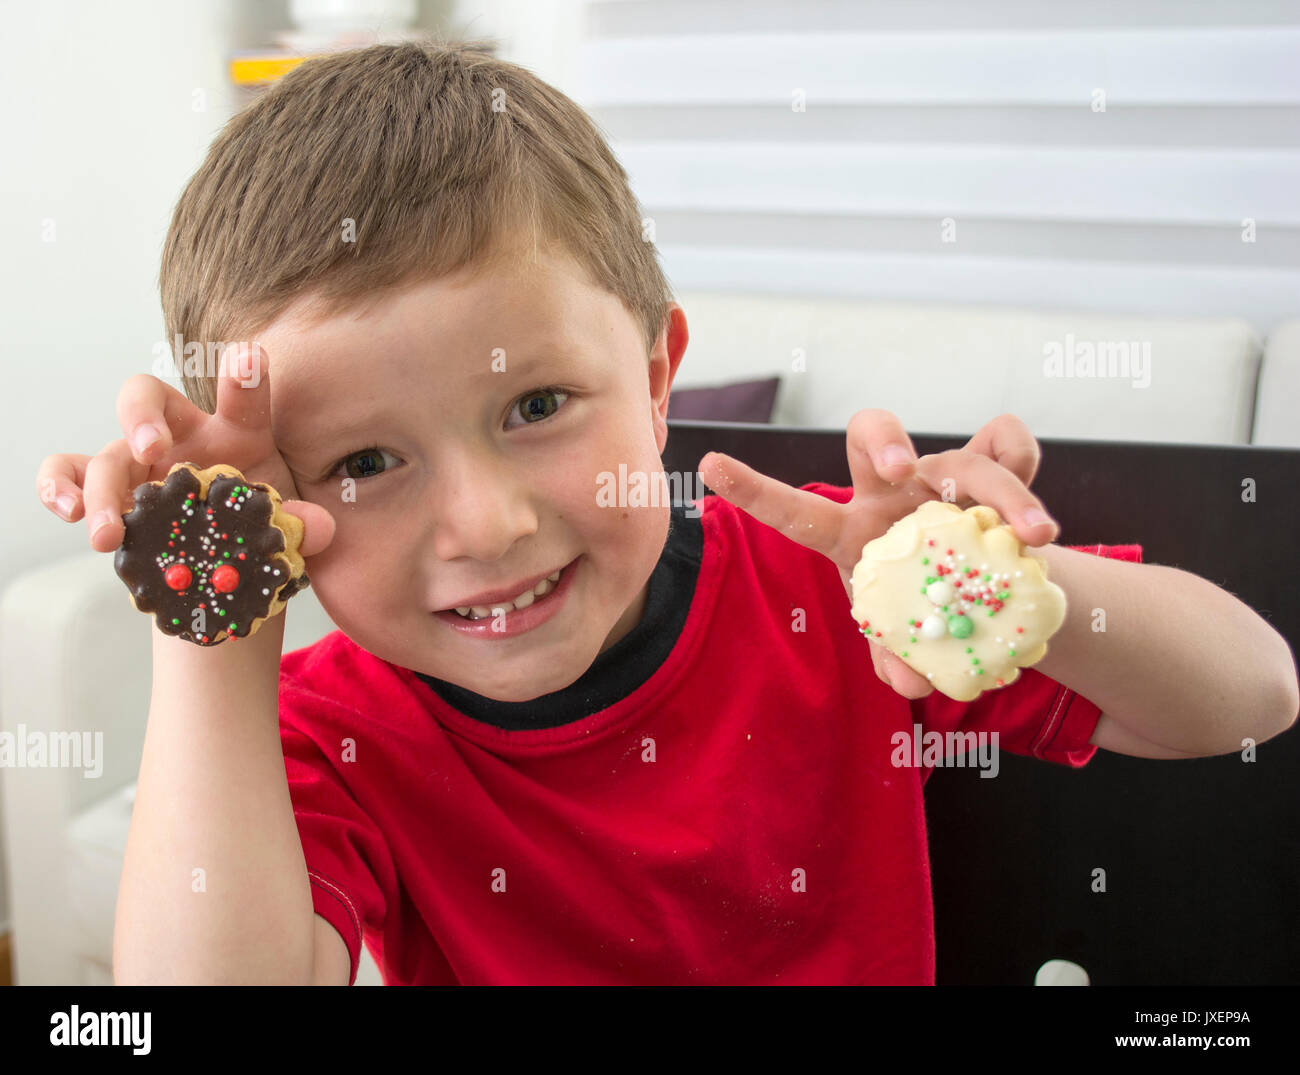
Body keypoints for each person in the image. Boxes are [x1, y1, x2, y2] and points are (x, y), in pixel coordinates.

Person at [36, 40, 1299, 985]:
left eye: (536, 405)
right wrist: (212, 620)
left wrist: (984, 582)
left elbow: (1247, 696)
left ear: (653, 381)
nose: (484, 525)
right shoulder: (331, 736)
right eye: (364, 461)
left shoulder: (838, 597)